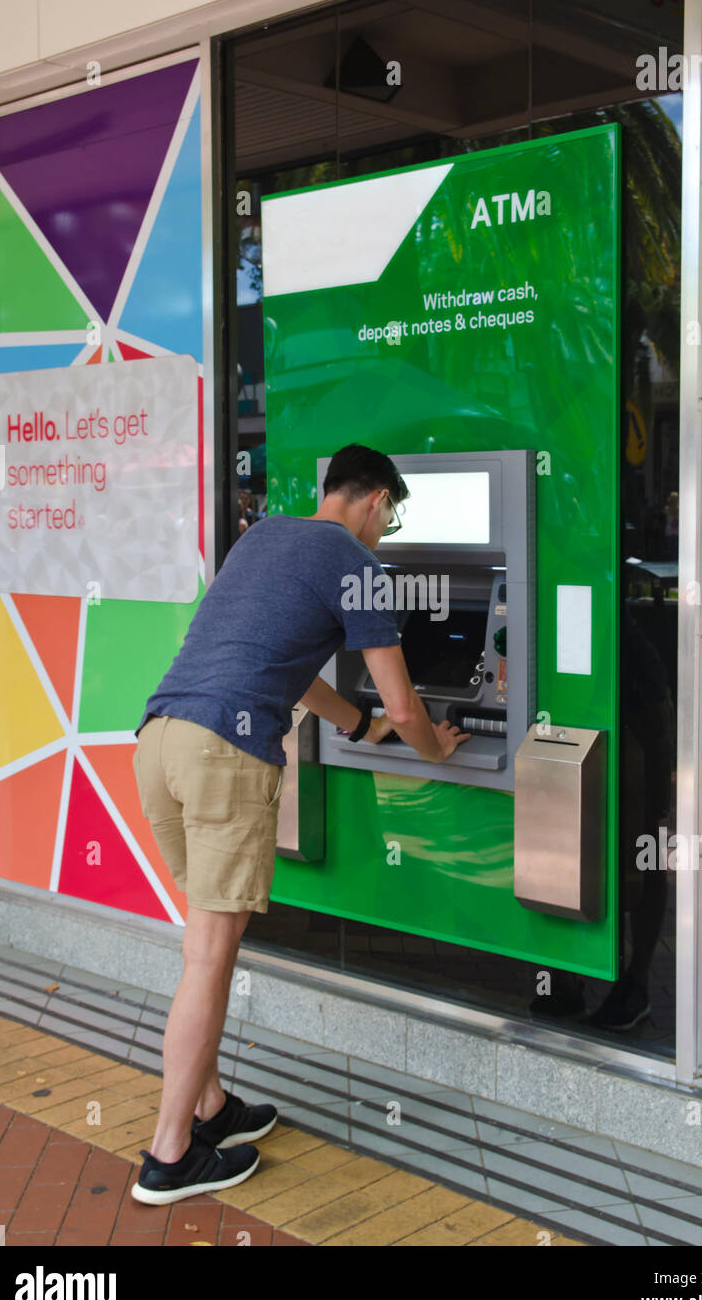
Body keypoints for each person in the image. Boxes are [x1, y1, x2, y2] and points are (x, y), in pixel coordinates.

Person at [130, 443, 470, 1204]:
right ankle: (168, 1155)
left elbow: (279, 662)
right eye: (392, 516)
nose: (386, 531)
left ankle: (209, 1108)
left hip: (160, 739)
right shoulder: (352, 560)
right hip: (226, 751)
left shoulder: (263, 537)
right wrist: (433, 748)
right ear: (377, 500)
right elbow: (411, 705)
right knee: (210, 956)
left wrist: (359, 724)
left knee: (200, 947)